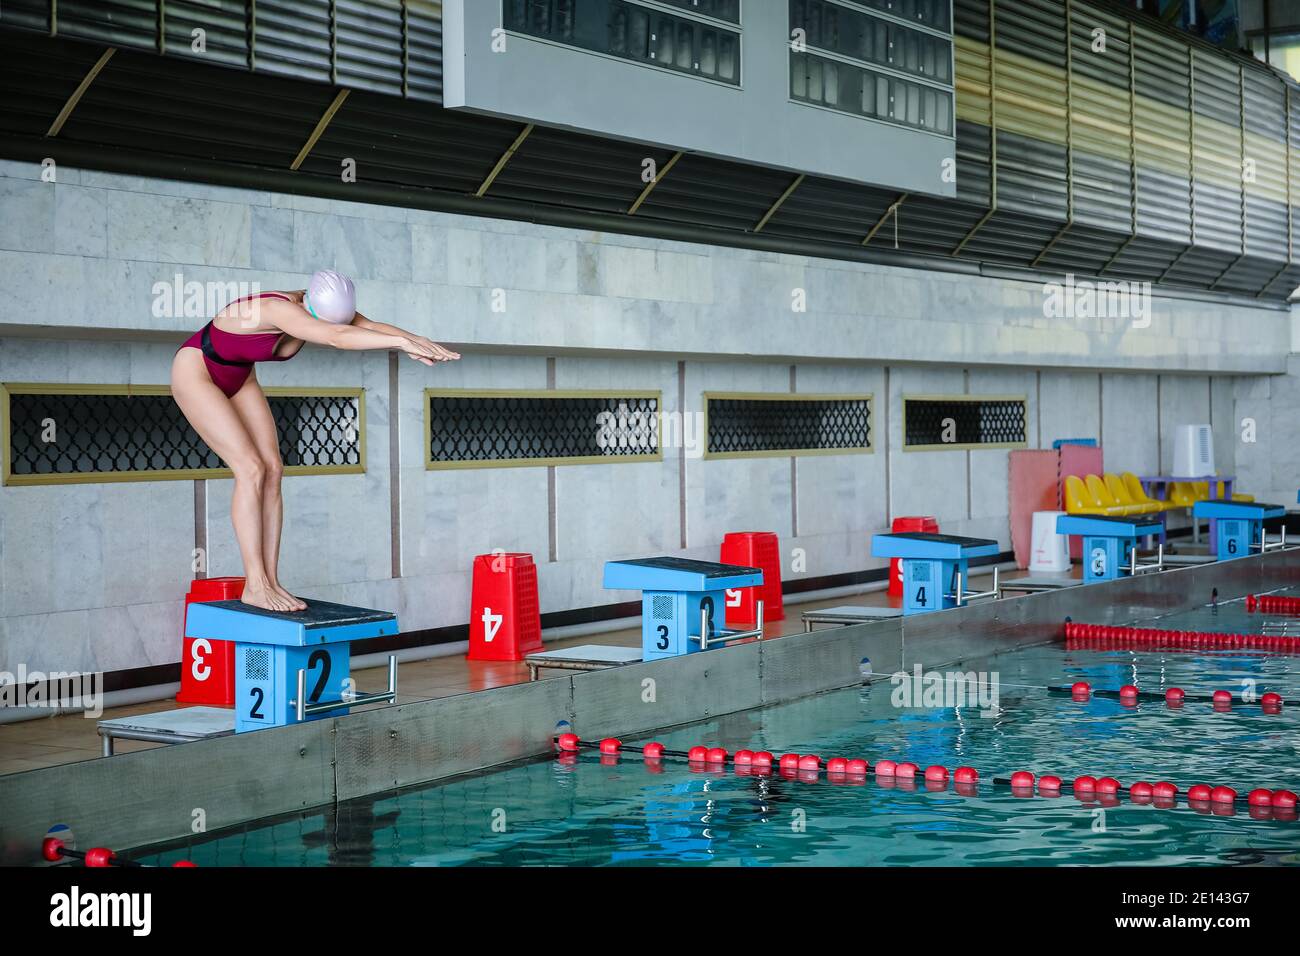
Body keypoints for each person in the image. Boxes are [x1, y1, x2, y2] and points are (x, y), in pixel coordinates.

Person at [171, 270, 459, 611]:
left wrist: (417, 340)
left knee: (273, 469)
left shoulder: (320, 305)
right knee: (249, 469)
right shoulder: (279, 310)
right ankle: (255, 584)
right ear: (311, 307)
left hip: (239, 375)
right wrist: (399, 343)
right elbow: (338, 336)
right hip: (197, 371)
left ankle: (271, 581)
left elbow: (367, 326)